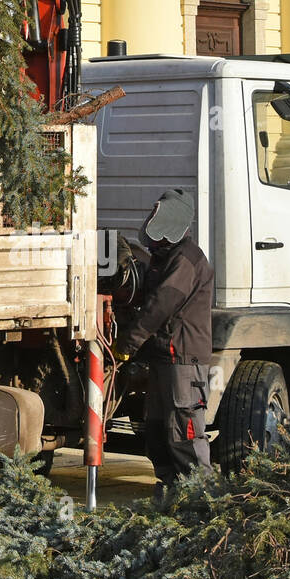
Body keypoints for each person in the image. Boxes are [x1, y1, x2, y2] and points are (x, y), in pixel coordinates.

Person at [112, 188, 215, 491]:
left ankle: (201, 498)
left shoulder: (186, 261)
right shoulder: (165, 258)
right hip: (163, 358)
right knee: (157, 431)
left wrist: (127, 344)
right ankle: (171, 493)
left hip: (182, 359)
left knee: (184, 430)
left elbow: (160, 306)